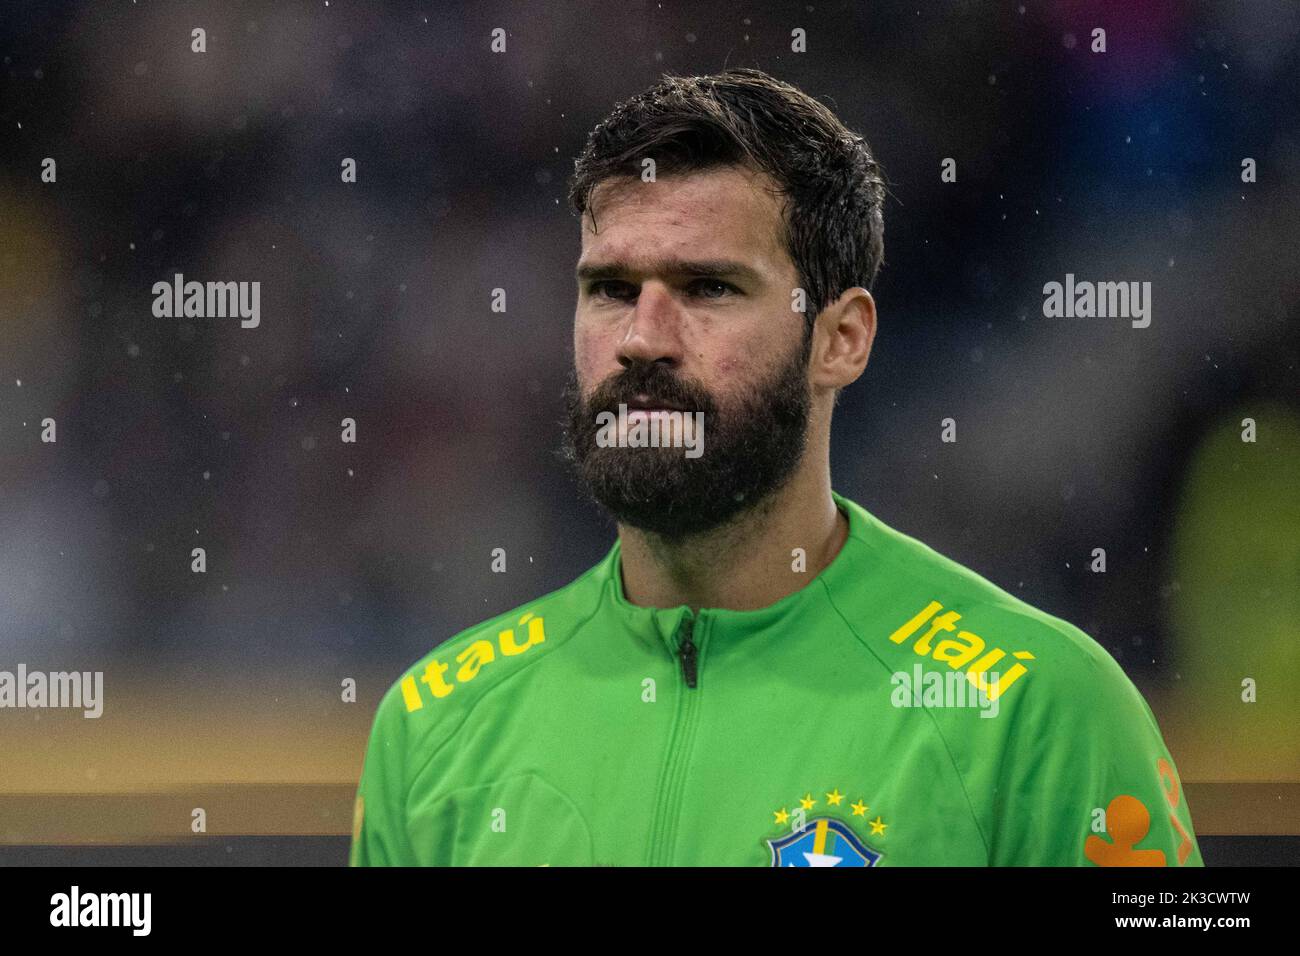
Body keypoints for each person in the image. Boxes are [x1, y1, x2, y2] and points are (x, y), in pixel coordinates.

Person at [350, 68, 1201, 866]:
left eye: (709, 288)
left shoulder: (1036, 710)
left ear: (842, 338)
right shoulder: (433, 727)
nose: (642, 338)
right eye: (611, 289)